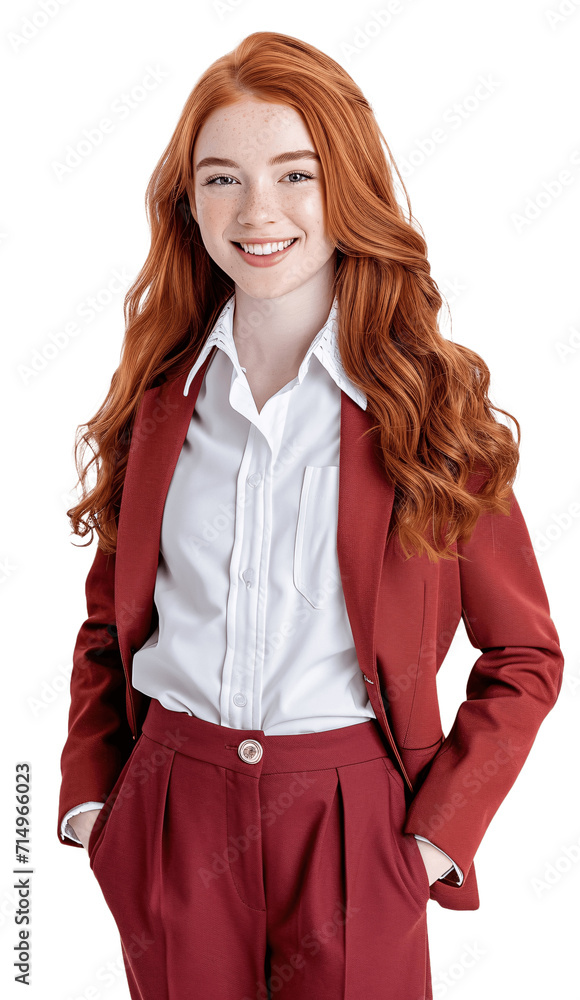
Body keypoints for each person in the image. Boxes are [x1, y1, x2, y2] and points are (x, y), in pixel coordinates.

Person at [57, 30, 564, 1000]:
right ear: (187, 203)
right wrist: (92, 802)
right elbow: (103, 627)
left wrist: (429, 839)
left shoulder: (432, 411)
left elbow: (524, 657)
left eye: (297, 173)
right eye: (221, 179)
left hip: (353, 820)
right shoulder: (156, 403)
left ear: (350, 184)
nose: (258, 211)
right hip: (171, 810)